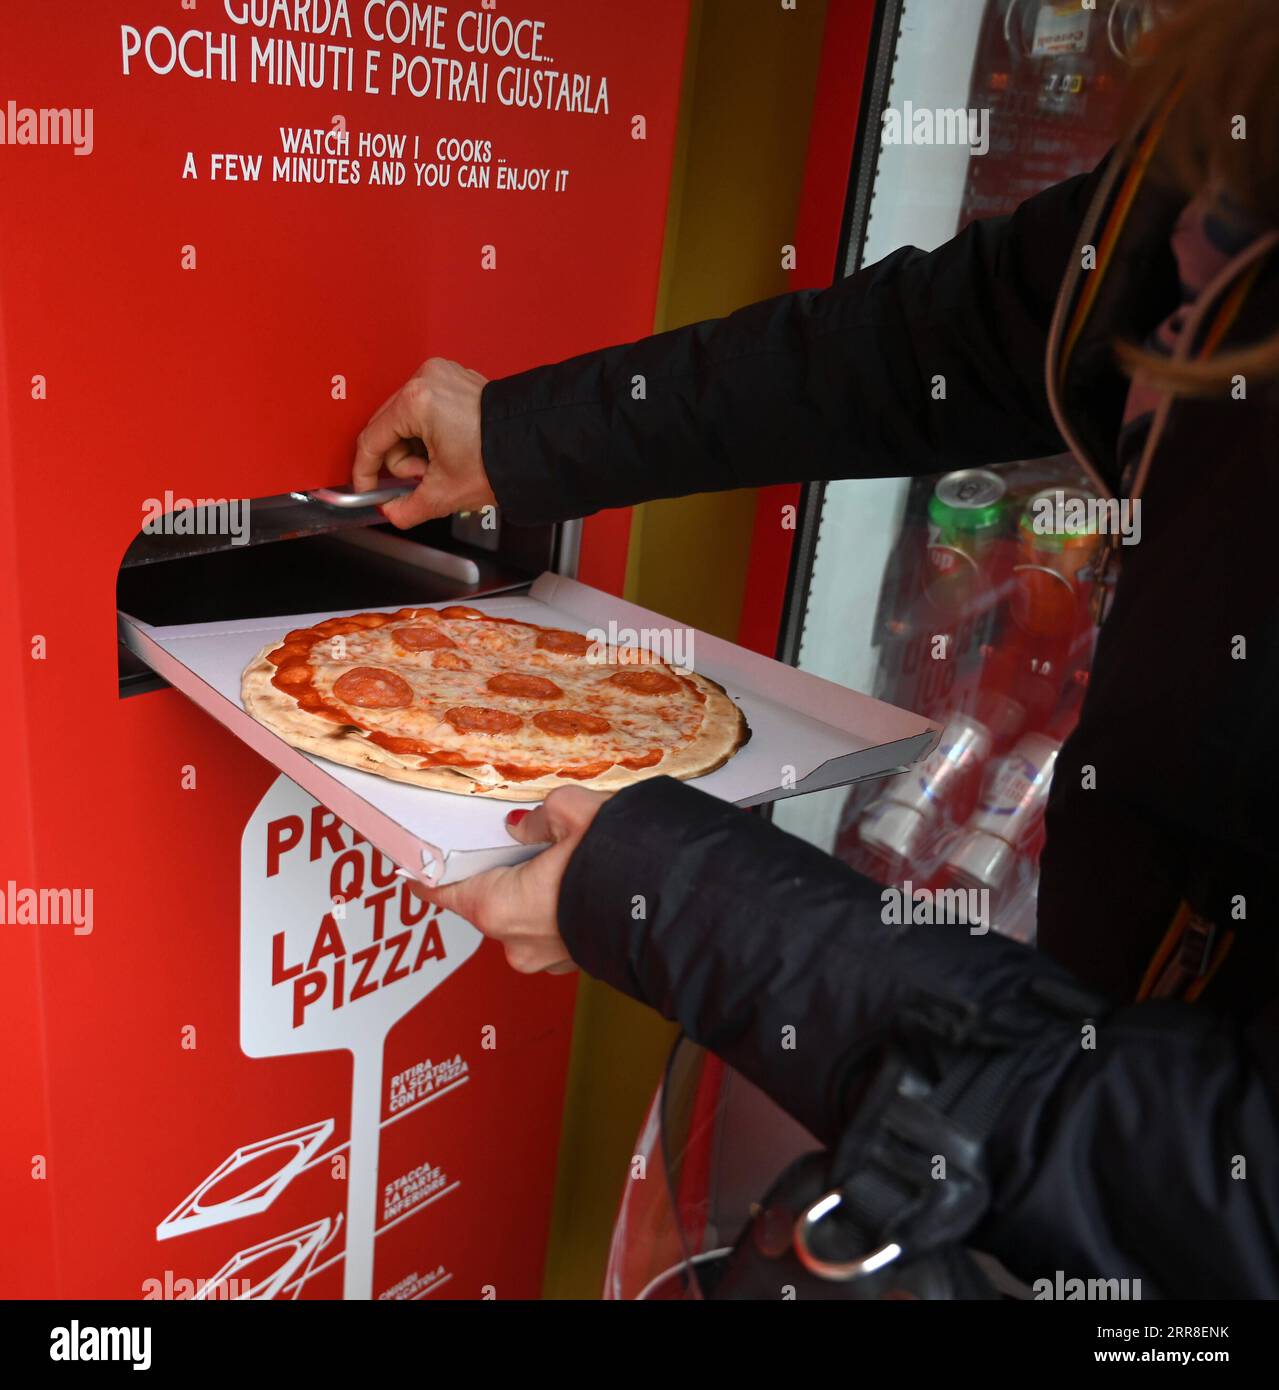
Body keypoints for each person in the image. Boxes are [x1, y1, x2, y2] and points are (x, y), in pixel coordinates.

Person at [351, 0, 1279, 1297]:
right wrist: (526, 431)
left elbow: (1235, 1179)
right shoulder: (1232, 128)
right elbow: (938, 343)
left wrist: (695, 906)